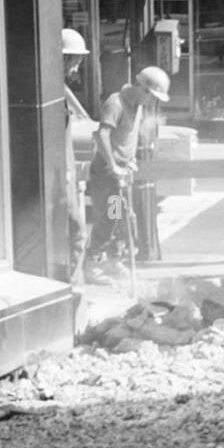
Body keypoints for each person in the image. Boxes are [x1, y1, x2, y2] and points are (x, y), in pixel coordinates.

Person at [86, 66, 169, 270]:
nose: (152, 102)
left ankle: (114, 259)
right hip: (107, 174)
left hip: (121, 171)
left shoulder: (137, 106)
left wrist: (129, 159)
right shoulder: (116, 103)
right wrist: (113, 164)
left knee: (121, 219)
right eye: (151, 97)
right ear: (142, 88)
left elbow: (128, 137)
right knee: (110, 216)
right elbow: (102, 135)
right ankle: (94, 260)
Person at [62, 29, 90, 285]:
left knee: (75, 233)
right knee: (77, 232)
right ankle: (71, 286)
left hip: (65, 176)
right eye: (75, 63)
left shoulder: (57, 92)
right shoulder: (53, 96)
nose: (76, 70)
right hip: (62, 178)